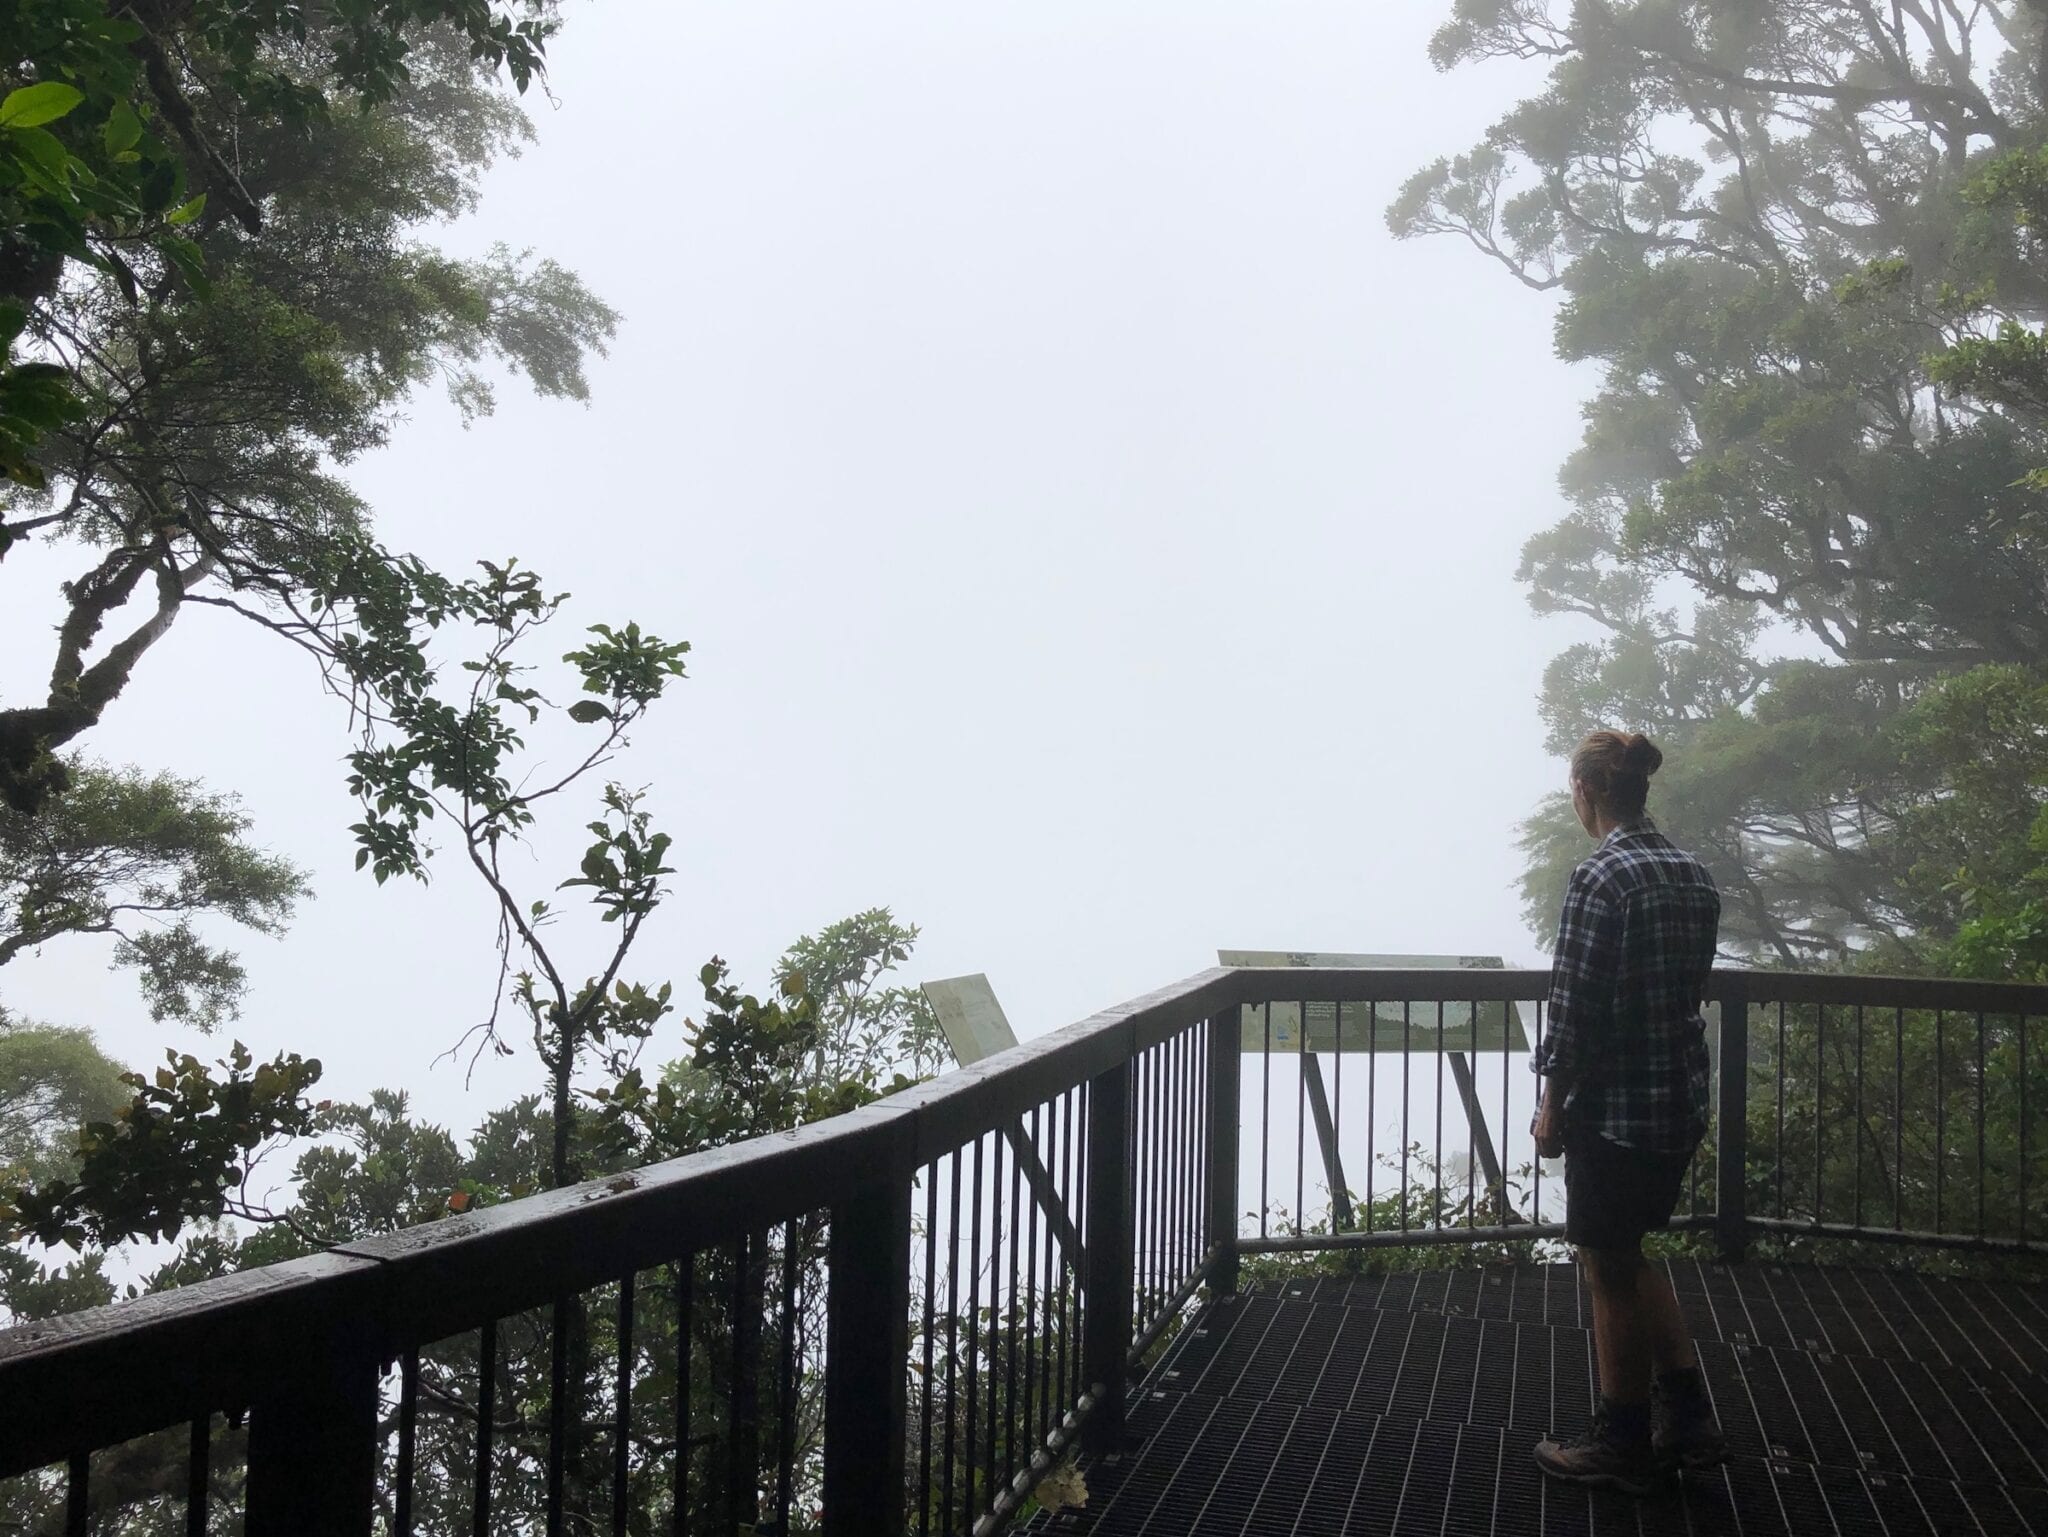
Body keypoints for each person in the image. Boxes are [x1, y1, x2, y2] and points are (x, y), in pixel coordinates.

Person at [1528, 730, 1727, 1494]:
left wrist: (1551, 1104)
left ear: (1584, 790)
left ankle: (1622, 1443)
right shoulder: (1691, 873)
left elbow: (1573, 1012)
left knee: (1606, 1265)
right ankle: (1689, 1416)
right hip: (1677, 1099)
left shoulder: (1601, 878)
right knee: (1628, 1249)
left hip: (1615, 1111)